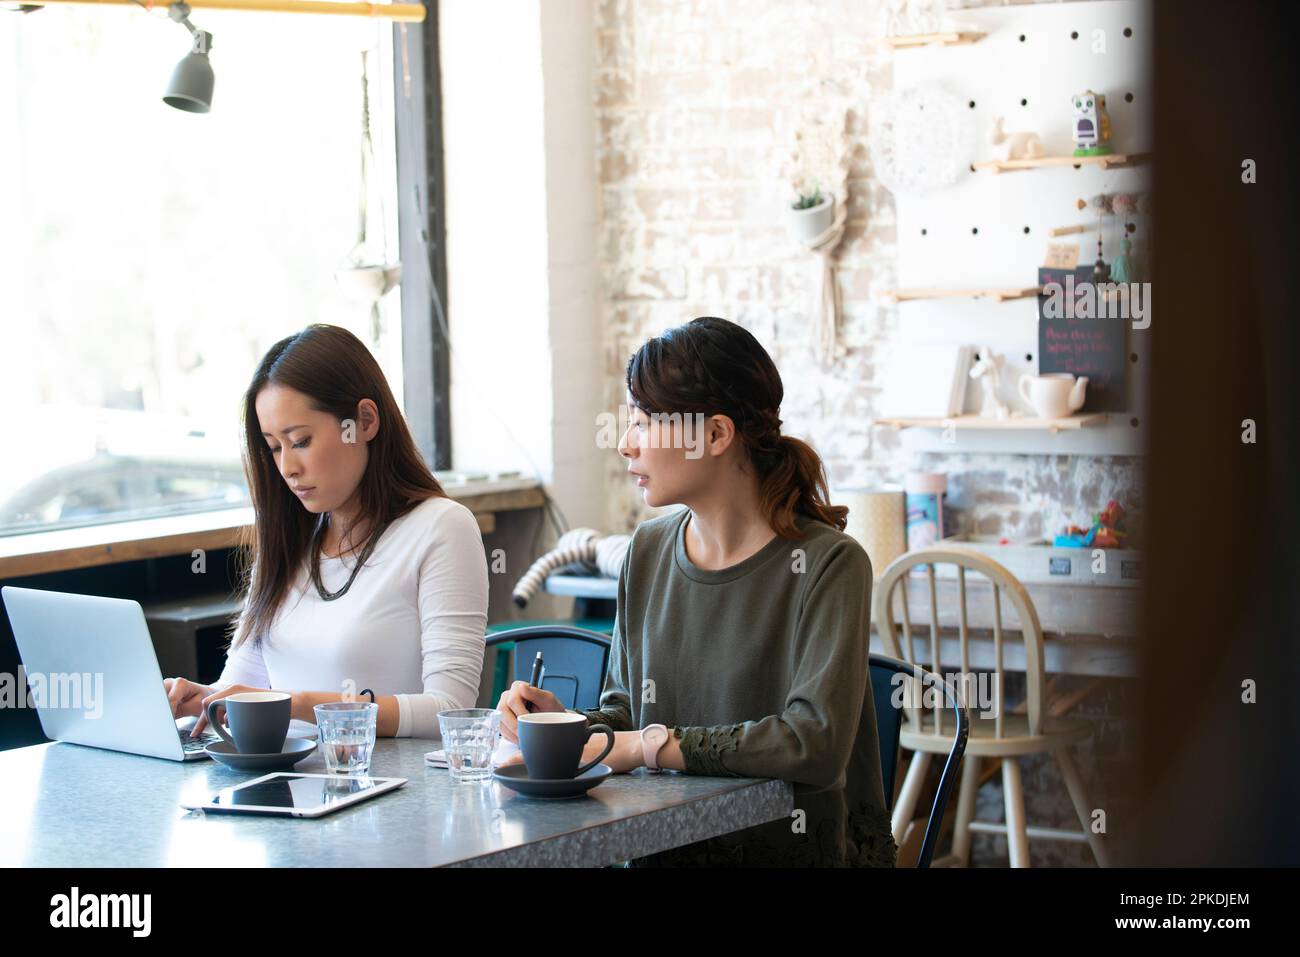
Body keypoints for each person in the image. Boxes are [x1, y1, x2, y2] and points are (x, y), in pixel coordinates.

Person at [497, 316, 897, 866]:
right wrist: (558, 726)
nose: (624, 444)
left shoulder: (831, 564)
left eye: (642, 422)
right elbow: (623, 714)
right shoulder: (648, 550)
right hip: (659, 849)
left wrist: (646, 745)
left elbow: (814, 744)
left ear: (715, 434)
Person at [165, 324, 488, 739]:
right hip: (285, 786)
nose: (286, 468)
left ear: (365, 421)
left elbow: (451, 710)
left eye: (300, 441)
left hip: (387, 790)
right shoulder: (289, 541)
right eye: (274, 447)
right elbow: (242, 683)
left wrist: (301, 706)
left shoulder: (441, 527)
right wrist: (203, 700)